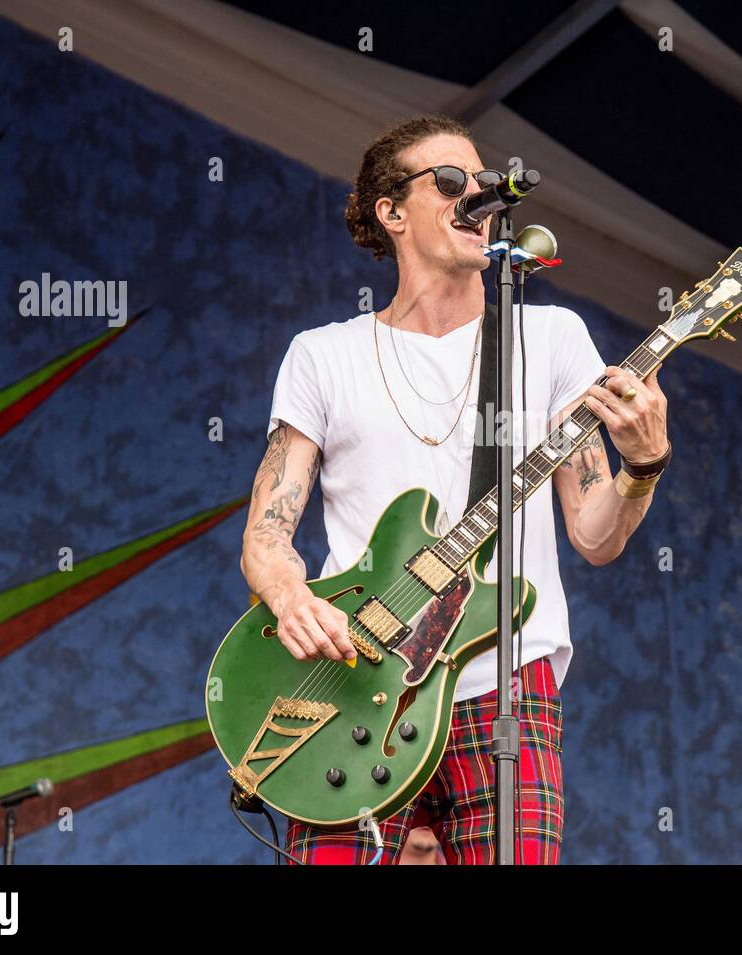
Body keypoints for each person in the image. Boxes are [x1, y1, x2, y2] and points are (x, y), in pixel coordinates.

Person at [240, 114, 671, 864]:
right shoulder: (324, 356)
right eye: (450, 182)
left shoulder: (555, 337)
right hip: (355, 685)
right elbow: (268, 534)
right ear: (393, 212)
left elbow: (595, 537)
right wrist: (291, 600)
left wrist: (642, 467)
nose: (477, 194)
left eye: (483, 183)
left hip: (507, 681)